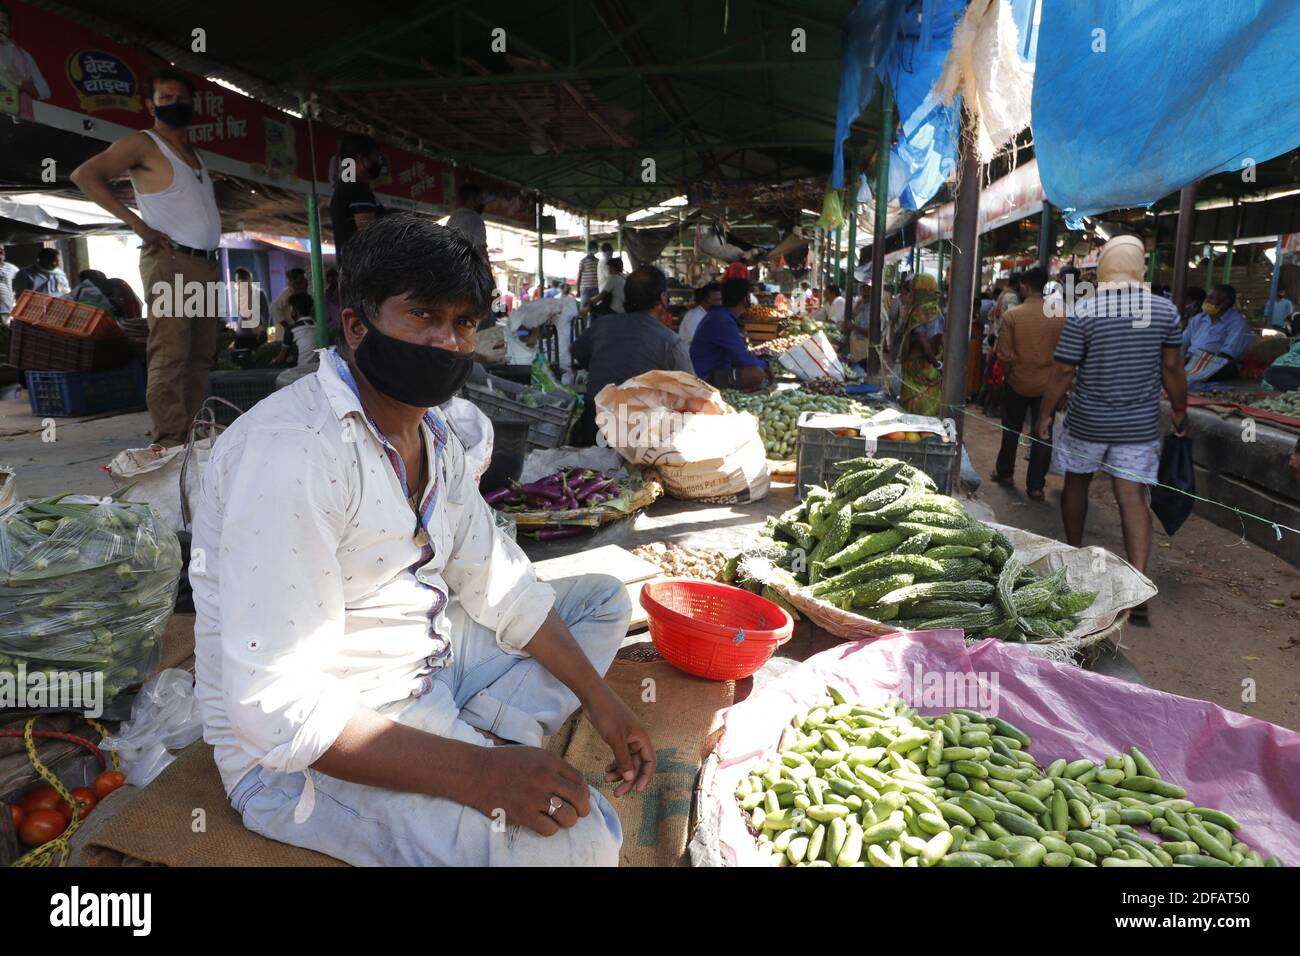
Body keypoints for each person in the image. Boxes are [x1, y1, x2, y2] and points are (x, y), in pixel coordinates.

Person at [191, 213, 654, 867]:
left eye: (463, 323)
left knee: (601, 601)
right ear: (357, 325)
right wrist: (476, 776)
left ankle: (479, 732)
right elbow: (279, 707)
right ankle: (472, 749)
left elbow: (500, 583)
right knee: (581, 848)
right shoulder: (292, 452)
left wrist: (602, 704)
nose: (447, 340)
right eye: (425, 315)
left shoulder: (432, 433)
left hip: (424, 664)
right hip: (306, 749)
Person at [1036, 235, 1188, 622]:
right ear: (1140, 267)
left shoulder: (1086, 310)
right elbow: (1172, 370)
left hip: (1088, 420)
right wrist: (1181, 412)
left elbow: (1064, 370)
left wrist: (1045, 414)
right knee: (1132, 498)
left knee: (1076, 483)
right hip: (1137, 427)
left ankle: (1073, 561)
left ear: (1104, 268)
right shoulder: (1164, 311)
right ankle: (1138, 592)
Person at [70, 66, 223, 447]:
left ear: (192, 104)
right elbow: (85, 175)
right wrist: (138, 226)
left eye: (181, 98)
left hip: (204, 263)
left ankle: (188, 435)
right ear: (149, 104)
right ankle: (169, 441)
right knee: (171, 354)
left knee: (201, 353)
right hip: (172, 264)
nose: (175, 104)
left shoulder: (192, 152)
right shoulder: (142, 142)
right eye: (166, 98)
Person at [570, 265, 694, 446]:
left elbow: (578, 352)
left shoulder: (602, 325)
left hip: (594, 425)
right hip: (638, 435)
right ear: (663, 298)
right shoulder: (670, 341)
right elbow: (692, 391)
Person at [992, 267, 1064, 500]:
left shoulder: (1013, 315)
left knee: (1011, 429)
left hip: (1017, 381)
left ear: (1024, 287)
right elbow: (1065, 357)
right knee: (1043, 433)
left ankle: (1005, 473)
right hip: (1048, 386)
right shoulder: (1060, 315)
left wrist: (1009, 374)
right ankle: (1035, 486)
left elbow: (1004, 355)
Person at [689, 277, 770, 390]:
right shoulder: (722, 319)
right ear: (744, 299)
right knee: (756, 373)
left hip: (711, 371)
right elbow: (742, 359)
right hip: (705, 377)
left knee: (755, 368)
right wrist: (766, 365)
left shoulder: (719, 315)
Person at [329, 133, 386, 253]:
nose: (378, 161)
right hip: (365, 268)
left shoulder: (344, 186)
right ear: (360, 158)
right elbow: (368, 235)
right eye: (375, 156)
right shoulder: (357, 188)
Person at [898, 273, 945, 416]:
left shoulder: (917, 310)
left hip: (919, 363)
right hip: (926, 363)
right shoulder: (931, 309)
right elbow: (927, 340)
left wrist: (936, 362)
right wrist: (937, 364)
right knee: (927, 403)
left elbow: (925, 340)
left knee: (917, 403)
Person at [1183, 283, 1249, 381]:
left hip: (1215, 362)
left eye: (1211, 298)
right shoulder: (1198, 319)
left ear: (1225, 302)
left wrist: (1197, 361)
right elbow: (1182, 342)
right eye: (1207, 298)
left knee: (1227, 368)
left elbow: (1227, 354)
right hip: (1190, 359)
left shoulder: (1237, 322)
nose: (1207, 301)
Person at [0, 2, 50, 121]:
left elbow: (44, 91)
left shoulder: (22, 54)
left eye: (3, 24)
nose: (0, 28)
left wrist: (20, 82)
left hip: (18, 120)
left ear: (10, 27)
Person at [268, 292, 316, 368]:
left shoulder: (292, 329)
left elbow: (281, 358)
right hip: (317, 368)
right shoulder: (318, 327)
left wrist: (273, 361)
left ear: (295, 311)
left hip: (301, 370)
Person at [230, 268, 271, 353]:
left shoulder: (259, 293)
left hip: (256, 335)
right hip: (242, 335)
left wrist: (262, 331)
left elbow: (266, 314)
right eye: (238, 279)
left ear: (249, 279)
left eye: (241, 279)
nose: (238, 282)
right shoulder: (237, 294)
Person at [677, 282, 720, 348]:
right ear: (704, 301)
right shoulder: (695, 317)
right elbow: (700, 343)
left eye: (720, 300)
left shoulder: (709, 315)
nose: (719, 303)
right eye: (715, 300)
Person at [576, 242, 600, 306]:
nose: (597, 250)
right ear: (590, 249)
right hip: (585, 288)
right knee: (584, 307)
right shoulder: (583, 261)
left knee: (595, 308)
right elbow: (579, 276)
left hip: (596, 288)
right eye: (596, 248)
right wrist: (578, 290)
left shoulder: (598, 261)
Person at [0, 243, 17, 323]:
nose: (2, 253)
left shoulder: (12, 268)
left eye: (2, 251)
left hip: (7, 311)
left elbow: (20, 286)